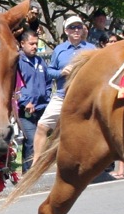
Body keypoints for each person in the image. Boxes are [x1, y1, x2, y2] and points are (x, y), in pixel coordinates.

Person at [32, 15, 96, 160]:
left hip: (84, 97)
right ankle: (36, 163)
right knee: (42, 126)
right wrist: (62, 72)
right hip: (62, 95)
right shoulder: (59, 50)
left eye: (79, 27)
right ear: (66, 31)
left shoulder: (91, 49)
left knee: (86, 130)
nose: (76, 30)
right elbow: (49, 71)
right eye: (72, 27)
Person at [15, 28, 51, 169]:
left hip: (42, 107)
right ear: (22, 43)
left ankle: (37, 169)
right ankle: (28, 173)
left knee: (43, 140)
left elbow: (48, 82)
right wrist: (24, 101)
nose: (35, 46)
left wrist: (47, 97)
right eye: (31, 44)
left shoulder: (40, 61)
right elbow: (15, 85)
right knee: (31, 139)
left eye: (36, 43)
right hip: (26, 110)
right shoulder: (18, 61)